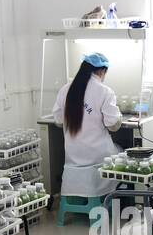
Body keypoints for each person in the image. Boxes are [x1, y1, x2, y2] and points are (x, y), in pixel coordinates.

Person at [52, 52, 123, 199]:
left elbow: (58, 121)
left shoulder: (66, 89)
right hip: (97, 158)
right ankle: (117, 199)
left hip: (73, 158)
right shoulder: (105, 91)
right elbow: (113, 125)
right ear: (102, 71)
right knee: (121, 151)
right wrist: (119, 117)